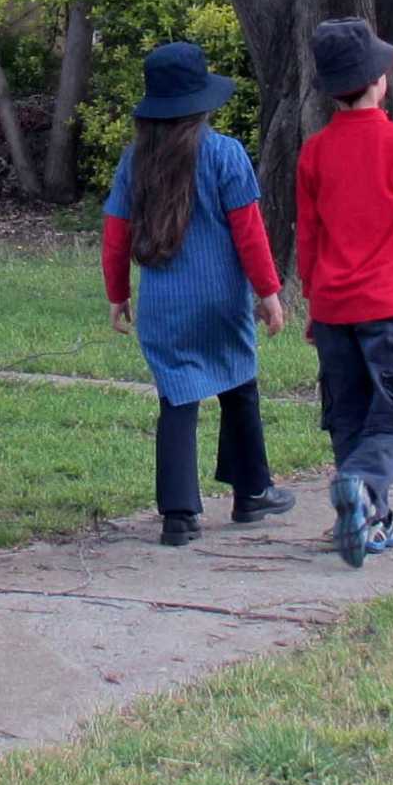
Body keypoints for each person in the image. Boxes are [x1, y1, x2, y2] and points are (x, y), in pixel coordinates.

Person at [103, 42, 296, 546]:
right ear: (202, 101)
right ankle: (251, 491)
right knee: (239, 386)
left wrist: (117, 293)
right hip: (221, 302)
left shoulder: (134, 161)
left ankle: (179, 515)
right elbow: (249, 233)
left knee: (177, 402)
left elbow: (115, 232)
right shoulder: (226, 154)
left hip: (164, 307)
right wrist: (269, 292)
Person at [295, 16, 393, 568]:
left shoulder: (314, 153)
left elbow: (309, 237)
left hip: (335, 306)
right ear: (378, 81)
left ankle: (373, 519)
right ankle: (361, 484)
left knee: (348, 414)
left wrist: (315, 304)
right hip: (388, 306)